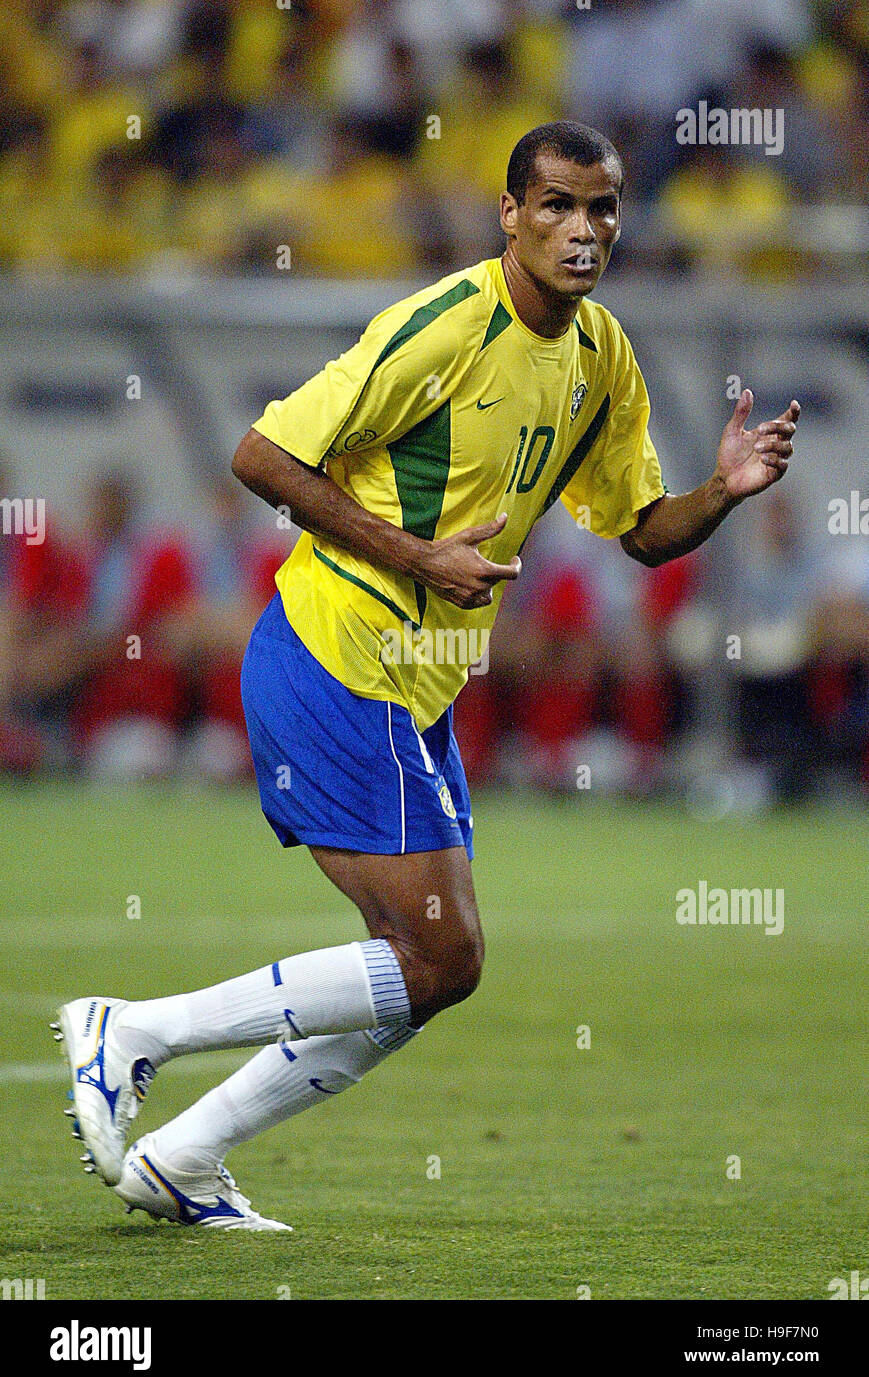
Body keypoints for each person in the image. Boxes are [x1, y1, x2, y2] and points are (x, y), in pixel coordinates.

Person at [55, 122, 799, 1230]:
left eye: (600, 208)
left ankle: (184, 1155)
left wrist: (720, 491)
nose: (581, 229)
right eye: (553, 204)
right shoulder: (440, 329)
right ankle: (133, 1031)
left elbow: (640, 529)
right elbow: (260, 455)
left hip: (419, 689)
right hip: (334, 656)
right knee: (442, 955)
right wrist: (417, 556)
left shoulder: (602, 358)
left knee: (422, 972)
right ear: (508, 214)